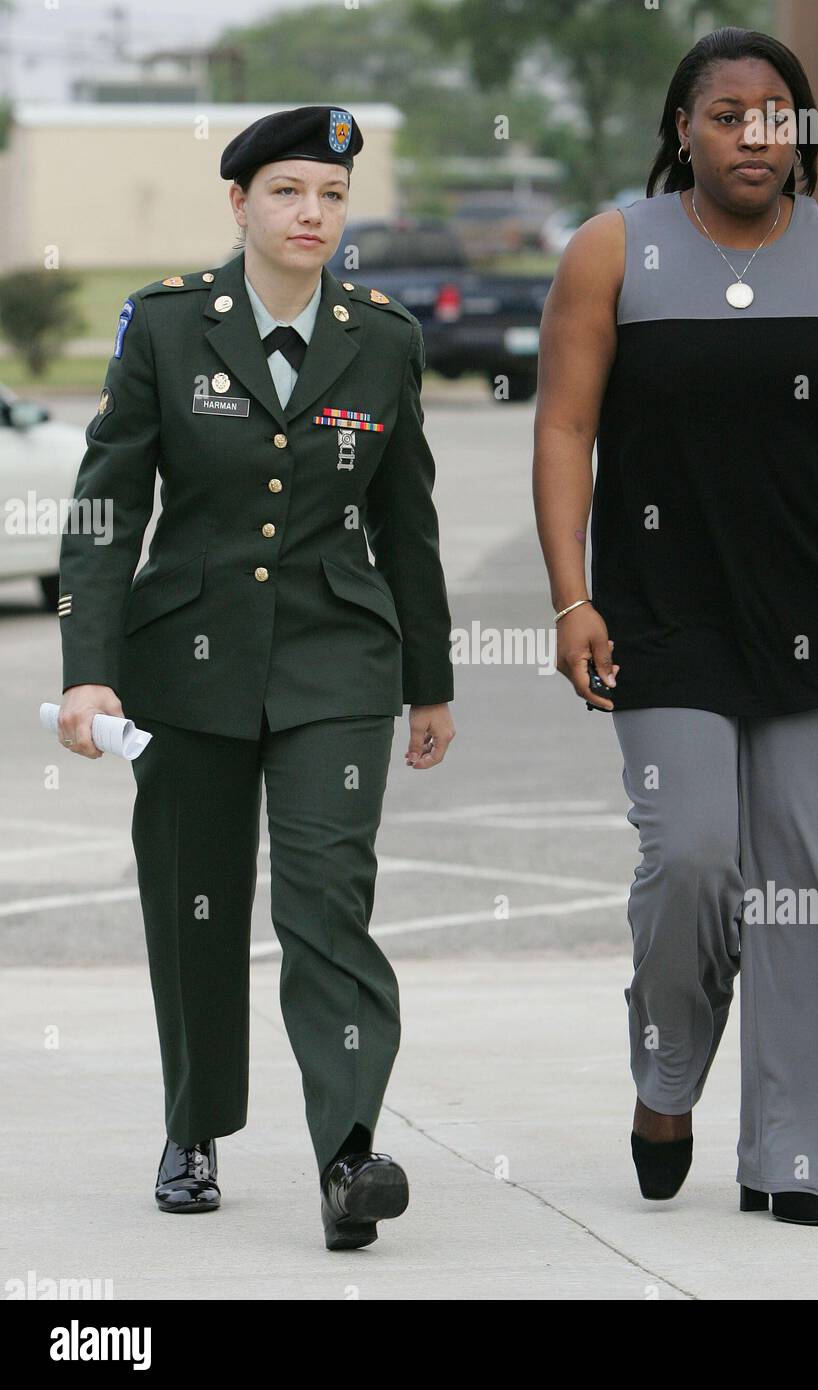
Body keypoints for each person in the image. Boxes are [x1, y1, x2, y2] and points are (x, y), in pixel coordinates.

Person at [532, 29, 818, 1225]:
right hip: (664, 614)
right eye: (727, 114)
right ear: (682, 128)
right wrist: (571, 596)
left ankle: (796, 1156)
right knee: (690, 859)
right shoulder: (611, 251)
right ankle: (666, 1074)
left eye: (776, 114)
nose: (755, 135)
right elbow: (562, 433)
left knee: (799, 888)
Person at [55, 104, 456, 1251]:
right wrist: (90, 672)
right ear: (239, 204)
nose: (311, 214)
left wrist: (430, 678)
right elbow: (103, 509)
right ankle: (195, 1127)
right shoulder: (170, 326)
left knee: (327, 897)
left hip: (338, 656)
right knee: (197, 900)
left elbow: (406, 521)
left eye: (330, 196)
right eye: (287, 192)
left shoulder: (382, 338)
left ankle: (348, 1153)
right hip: (187, 660)